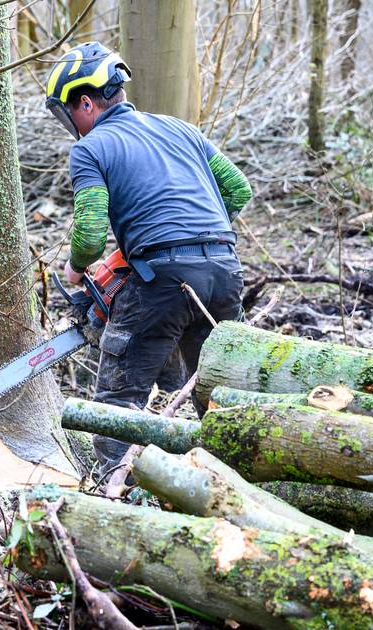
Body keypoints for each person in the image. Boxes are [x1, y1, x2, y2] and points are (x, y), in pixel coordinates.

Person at [44, 42, 253, 474]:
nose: (70, 123)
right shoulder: (182, 130)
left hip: (161, 281)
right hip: (225, 268)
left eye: (67, 111)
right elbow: (238, 190)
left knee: (119, 401)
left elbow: (88, 232)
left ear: (85, 101)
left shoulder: (90, 148)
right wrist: (193, 235)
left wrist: (78, 266)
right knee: (221, 394)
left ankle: (113, 492)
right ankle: (238, 480)